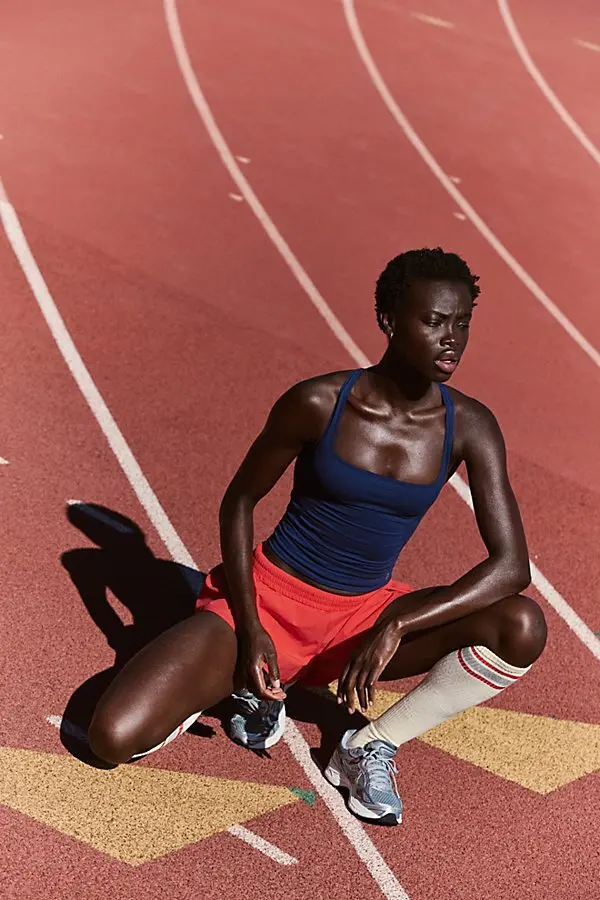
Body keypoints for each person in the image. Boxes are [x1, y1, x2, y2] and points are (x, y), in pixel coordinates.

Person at [88, 248, 546, 826]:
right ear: (388, 320)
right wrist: (251, 628)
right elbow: (240, 502)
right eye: (433, 322)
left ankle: (370, 746)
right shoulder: (317, 402)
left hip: (363, 620)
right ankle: (233, 684)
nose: (450, 339)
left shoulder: (472, 426)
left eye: (462, 324)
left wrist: (397, 623)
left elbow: (512, 567)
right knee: (109, 738)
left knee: (522, 624)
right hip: (269, 606)